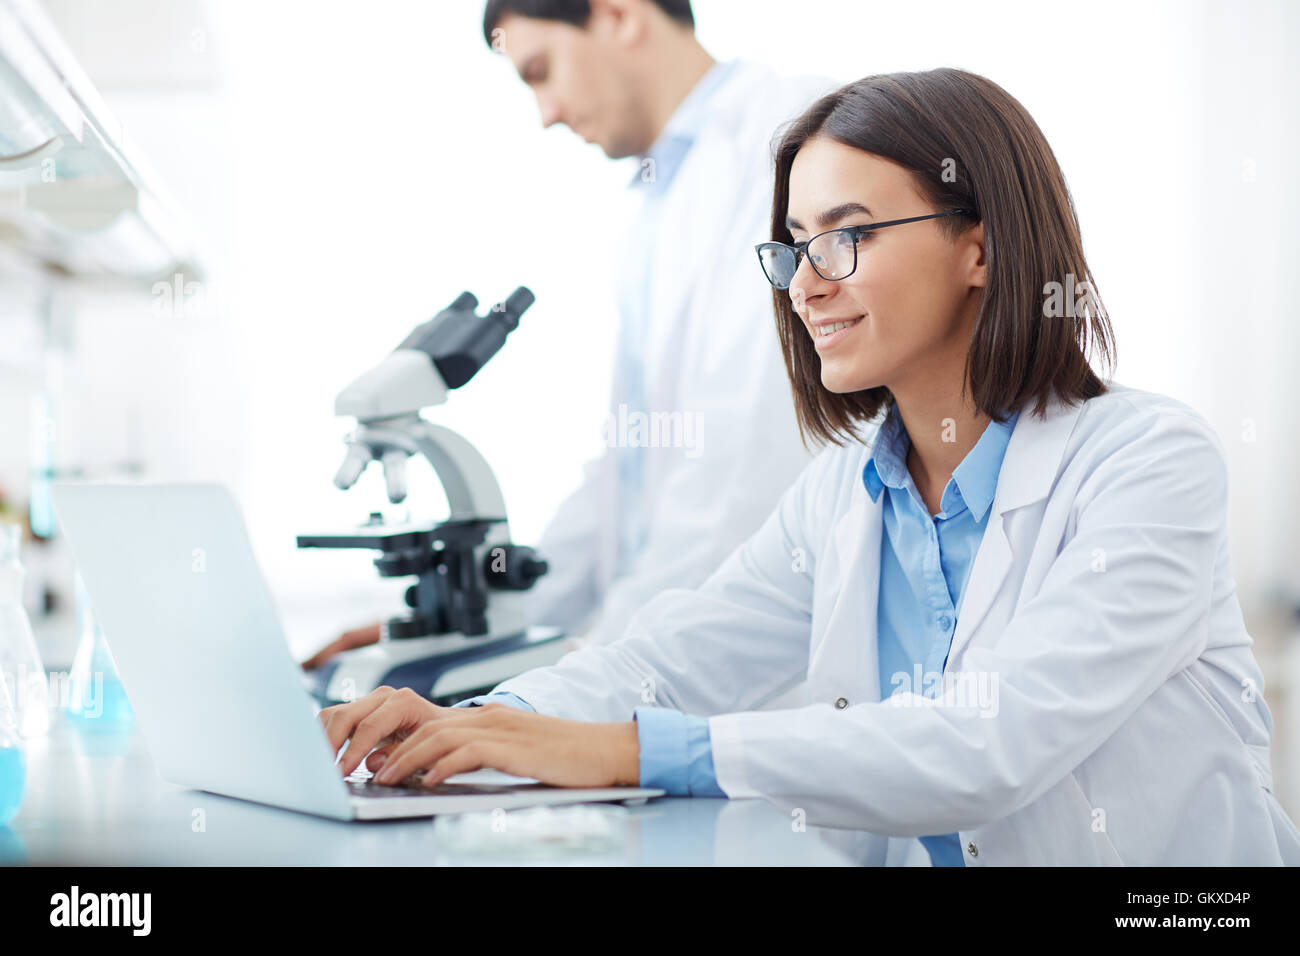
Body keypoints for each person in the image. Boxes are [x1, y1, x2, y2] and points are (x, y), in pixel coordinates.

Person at [318, 66, 1300, 865]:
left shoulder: (1146, 463)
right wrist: (478, 721)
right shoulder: (843, 492)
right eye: (791, 247)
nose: (806, 285)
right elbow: (669, 658)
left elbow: (987, 743)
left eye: (847, 235)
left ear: (982, 248)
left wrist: (617, 748)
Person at [303, 0, 833, 671]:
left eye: (540, 71)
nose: (545, 112)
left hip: (753, 671)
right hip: (660, 646)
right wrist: (492, 628)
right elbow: (626, 473)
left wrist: (590, 665)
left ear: (617, 15)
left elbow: (738, 461)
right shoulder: (654, 204)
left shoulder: (785, 140)